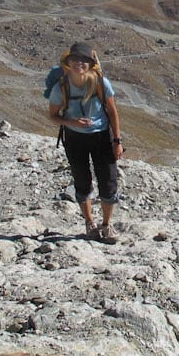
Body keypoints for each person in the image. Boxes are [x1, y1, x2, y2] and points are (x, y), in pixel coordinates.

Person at [47, 41, 124, 243]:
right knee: (82, 180)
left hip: (101, 137)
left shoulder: (100, 83)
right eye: (76, 59)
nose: (79, 63)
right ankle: (90, 223)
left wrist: (117, 140)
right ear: (69, 61)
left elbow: (113, 112)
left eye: (84, 60)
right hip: (74, 138)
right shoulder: (60, 87)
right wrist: (71, 122)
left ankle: (106, 225)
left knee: (108, 181)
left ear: (91, 64)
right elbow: (53, 116)